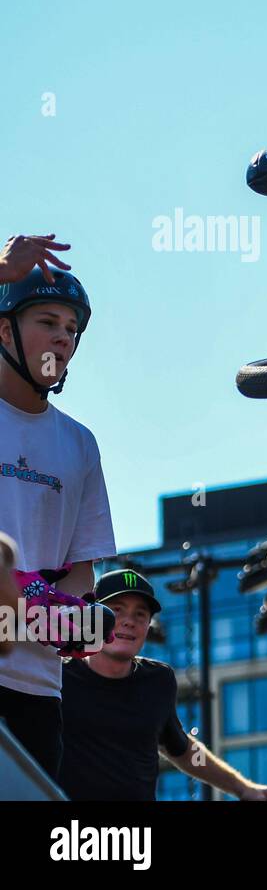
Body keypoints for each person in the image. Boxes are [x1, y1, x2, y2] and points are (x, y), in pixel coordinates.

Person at [0, 242, 117, 778]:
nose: (63, 338)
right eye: (48, 321)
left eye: (72, 328)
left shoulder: (80, 445)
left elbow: (80, 570)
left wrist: (71, 619)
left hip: (36, 690)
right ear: (4, 331)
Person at [59, 569, 267, 801]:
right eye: (116, 610)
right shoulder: (58, 678)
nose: (129, 621)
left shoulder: (158, 681)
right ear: (93, 617)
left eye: (140, 614)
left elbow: (185, 751)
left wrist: (243, 788)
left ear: (148, 625)